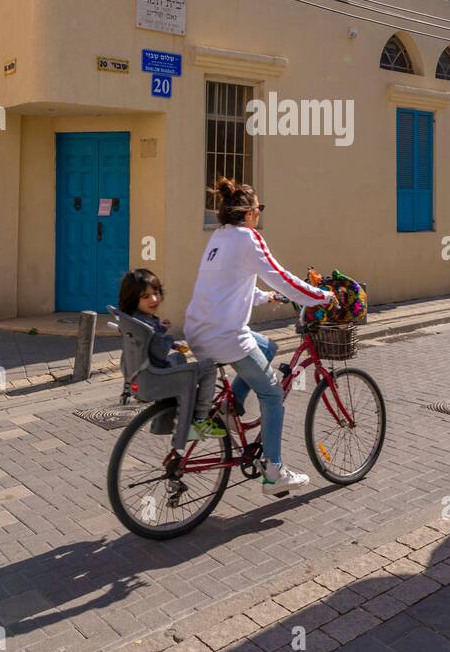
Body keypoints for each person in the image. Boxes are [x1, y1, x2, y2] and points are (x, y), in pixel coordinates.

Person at [183, 177, 337, 497]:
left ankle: (231, 404)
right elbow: (283, 277)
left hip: (198, 330)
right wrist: (320, 296)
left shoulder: (219, 238)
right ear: (250, 213)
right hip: (225, 336)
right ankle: (274, 471)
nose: (259, 215)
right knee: (272, 395)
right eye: (259, 209)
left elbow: (227, 287)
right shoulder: (248, 238)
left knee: (268, 346)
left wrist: (266, 299)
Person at [118, 268, 225, 440]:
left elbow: (150, 342)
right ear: (133, 299)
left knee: (179, 358)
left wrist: (161, 329)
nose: (154, 299)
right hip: (157, 376)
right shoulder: (146, 323)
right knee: (208, 367)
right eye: (145, 297)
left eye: (156, 292)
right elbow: (159, 350)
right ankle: (200, 419)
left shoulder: (134, 319)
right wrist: (169, 338)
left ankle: (176, 412)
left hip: (141, 375)